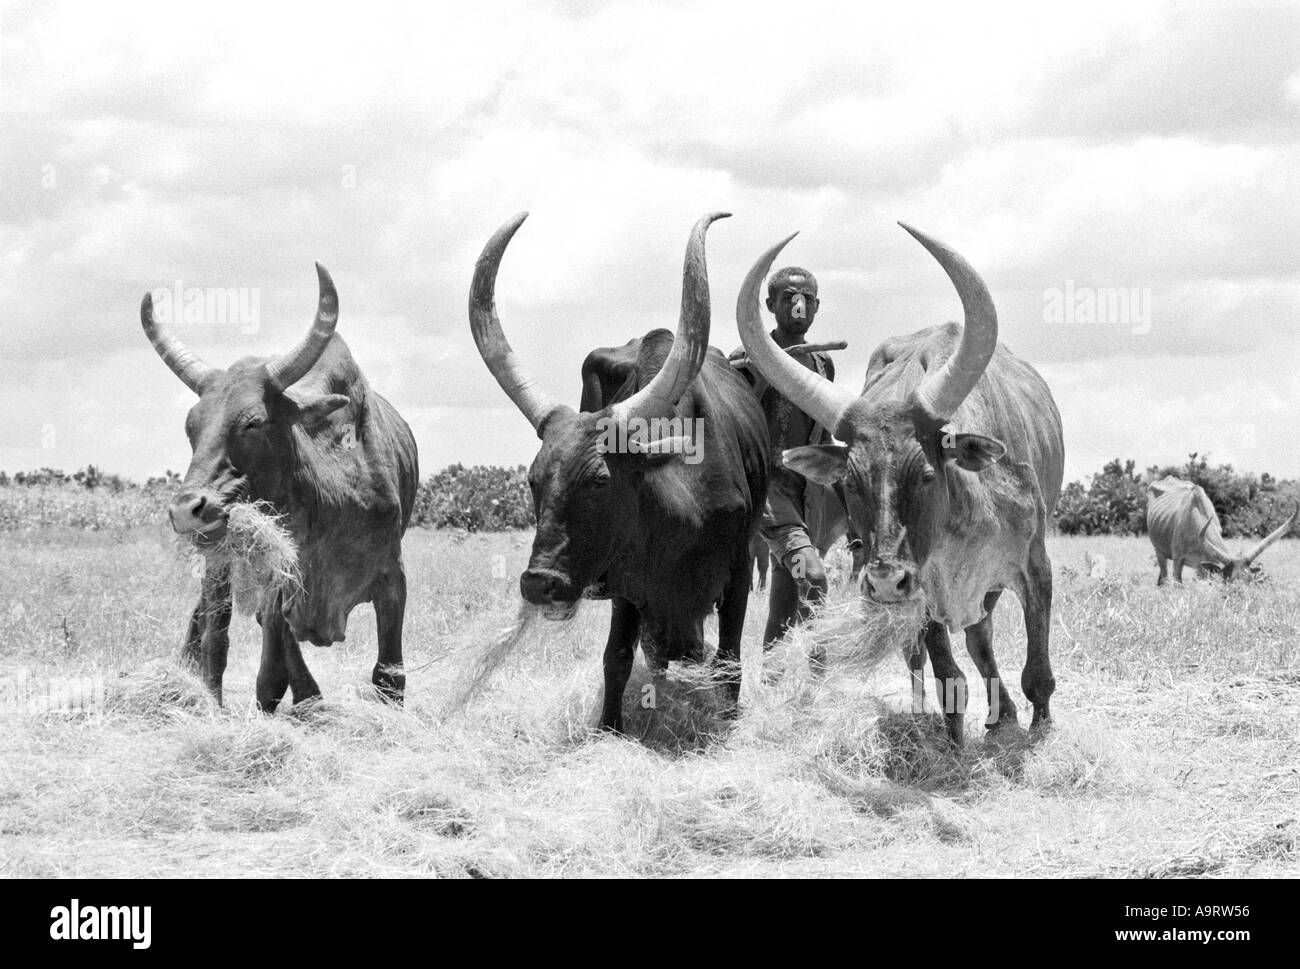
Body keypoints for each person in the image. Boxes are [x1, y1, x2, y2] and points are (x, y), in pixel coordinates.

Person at [730, 266, 842, 663]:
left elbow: (824, 433)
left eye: (807, 299)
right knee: (812, 574)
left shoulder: (824, 363)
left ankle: (773, 692)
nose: (799, 305)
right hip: (768, 490)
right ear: (770, 305)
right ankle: (817, 683)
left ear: (816, 306)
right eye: (789, 298)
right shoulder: (746, 356)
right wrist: (772, 367)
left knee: (784, 600)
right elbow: (737, 420)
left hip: (808, 490)